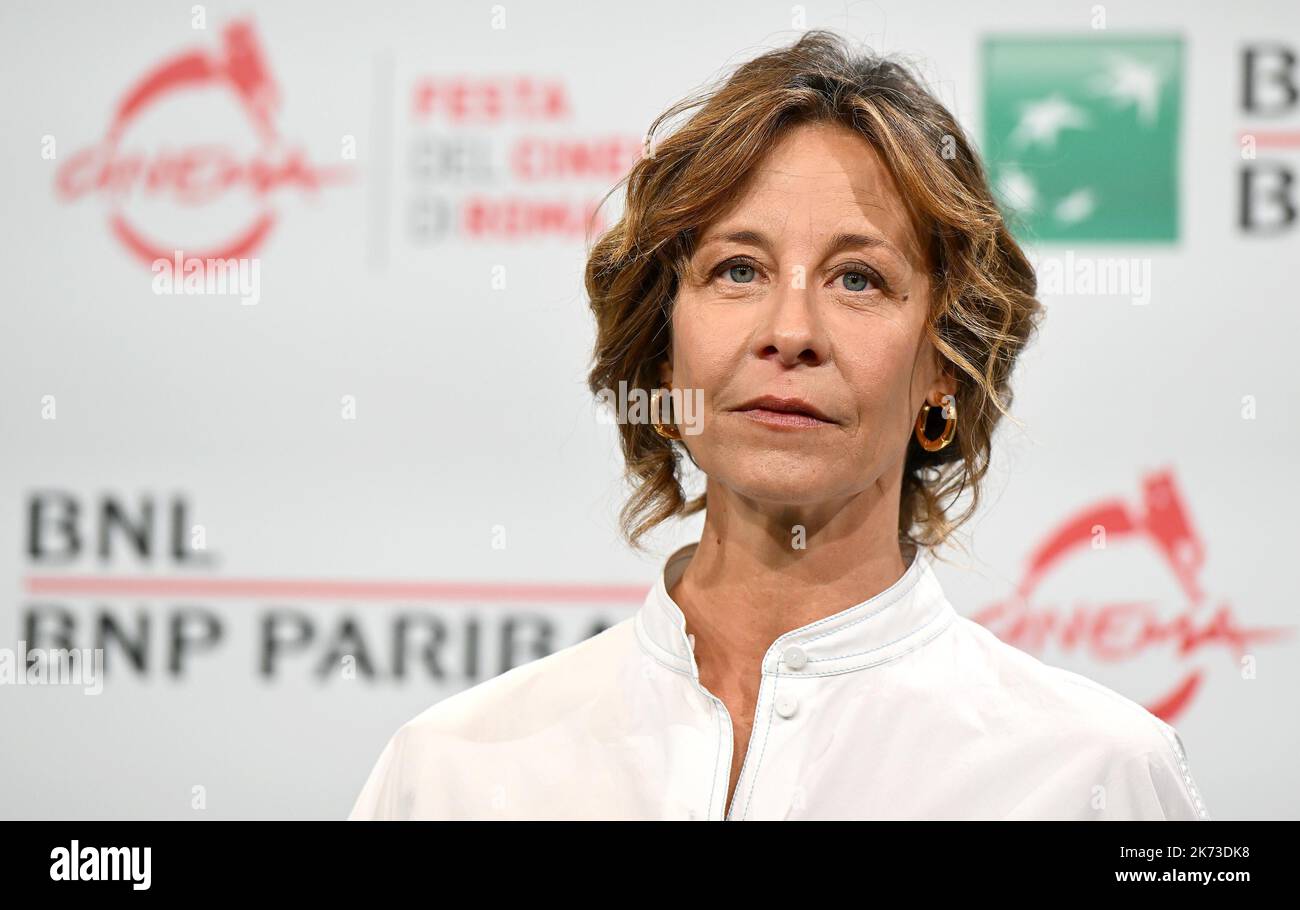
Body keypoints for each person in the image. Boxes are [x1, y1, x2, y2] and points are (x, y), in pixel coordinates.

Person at [348, 29, 1209, 821]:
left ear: (944, 363)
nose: (790, 332)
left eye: (859, 280)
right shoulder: (452, 772)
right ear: (661, 349)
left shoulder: (1098, 776)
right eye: (738, 269)